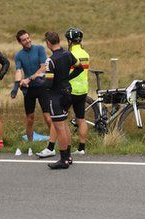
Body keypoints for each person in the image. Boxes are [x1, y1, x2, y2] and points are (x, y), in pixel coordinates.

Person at [42, 31, 83, 169]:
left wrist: (38, 81)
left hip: (56, 96)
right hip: (67, 92)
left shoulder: (50, 60)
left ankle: (64, 159)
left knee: (59, 128)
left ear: (48, 43)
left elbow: (48, 83)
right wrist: (67, 78)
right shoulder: (68, 54)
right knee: (64, 125)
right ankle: (69, 157)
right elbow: (80, 68)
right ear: (59, 40)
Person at [12, 30, 55, 152]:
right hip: (30, 90)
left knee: (47, 117)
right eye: (24, 39)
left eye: (28, 38)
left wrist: (30, 78)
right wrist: (17, 86)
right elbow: (19, 71)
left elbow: (43, 67)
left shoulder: (39, 49)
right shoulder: (19, 56)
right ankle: (30, 145)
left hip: (42, 87)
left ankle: (53, 143)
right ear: (20, 42)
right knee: (30, 118)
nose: (28, 40)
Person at [66, 28, 90, 155]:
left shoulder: (69, 54)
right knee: (81, 119)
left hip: (71, 90)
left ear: (69, 41)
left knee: (62, 119)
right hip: (83, 90)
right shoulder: (86, 54)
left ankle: (66, 147)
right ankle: (81, 148)